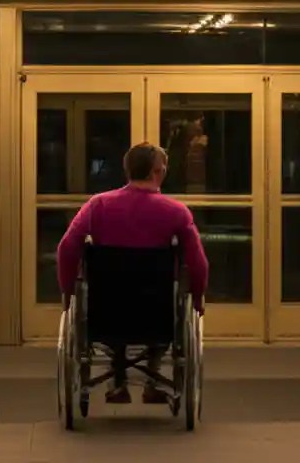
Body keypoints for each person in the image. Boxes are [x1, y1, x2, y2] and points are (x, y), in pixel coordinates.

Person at [57, 142, 209, 405]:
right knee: (167, 310)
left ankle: (118, 381)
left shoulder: (98, 205)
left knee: (112, 304)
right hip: (157, 312)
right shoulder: (176, 212)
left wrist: (67, 292)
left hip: (106, 310)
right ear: (158, 171)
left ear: (127, 170)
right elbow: (198, 263)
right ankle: (152, 382)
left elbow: (66, 249)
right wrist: (197, 298)